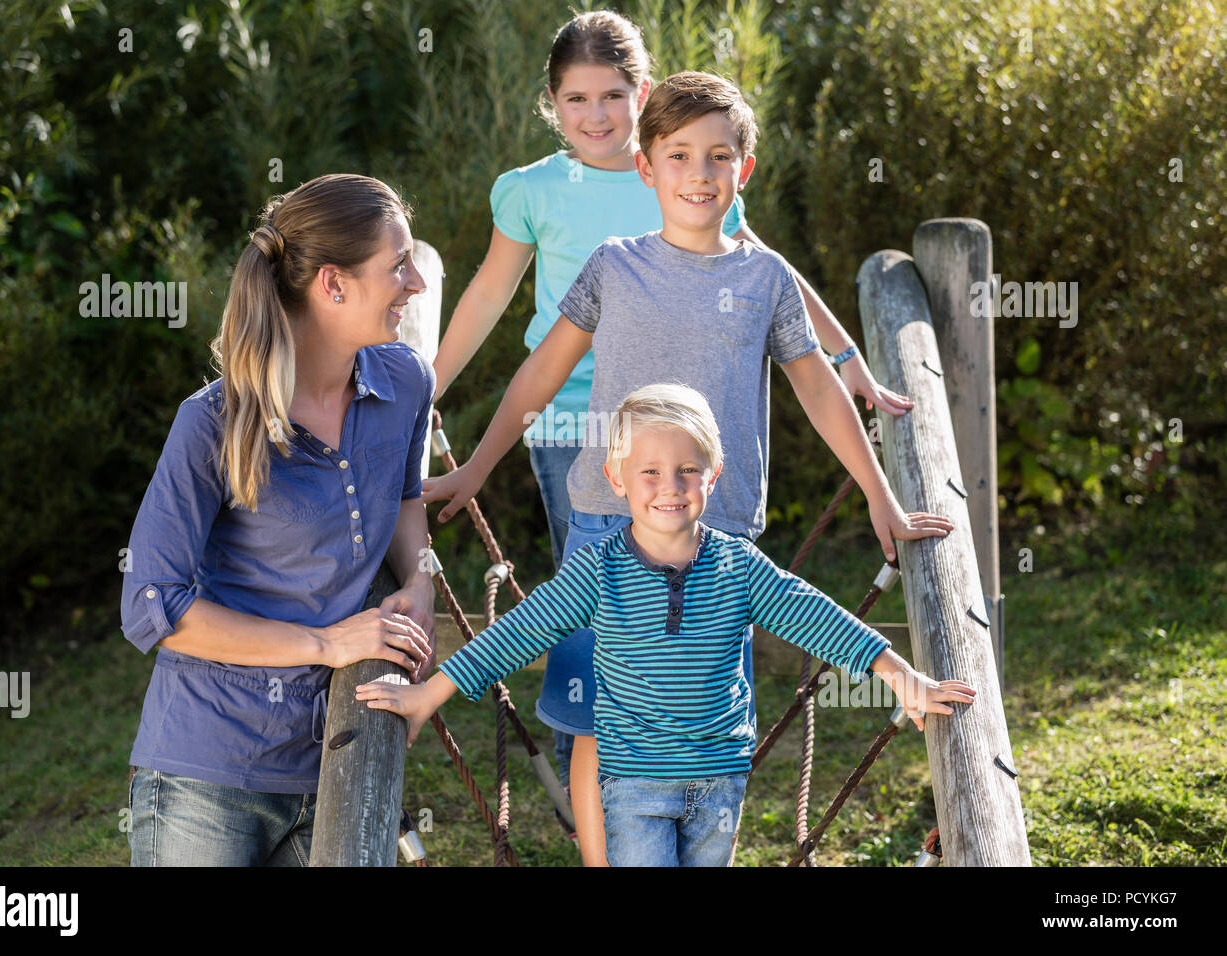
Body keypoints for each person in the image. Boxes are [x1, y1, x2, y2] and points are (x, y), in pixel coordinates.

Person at [422, 71, 956, 865]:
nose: (698, 175)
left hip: (717, 533)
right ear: (647, 168)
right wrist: (475, 470)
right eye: (678, 156)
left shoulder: (765, 279)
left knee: (700, 722)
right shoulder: (614, 266)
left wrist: (879, 492)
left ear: (743, 170)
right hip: (608, 517)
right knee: (595, 723)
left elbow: (815, 388)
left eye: (717, 157)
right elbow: (538, 375)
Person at [360, 384, 976, 866]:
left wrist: (899, 675)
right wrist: (427, 695)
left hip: (720, 778)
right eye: (649, 471)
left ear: (713, 473)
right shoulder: (599, 571)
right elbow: (518, 633)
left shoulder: (736, 565)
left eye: (687, 470)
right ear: (616, 478)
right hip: (634, 782)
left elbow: (812, 615)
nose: (669, 487)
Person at [119, 173, 437, 866]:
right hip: (207, 769)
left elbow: (406, 496)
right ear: (332, 284)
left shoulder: (407, 380)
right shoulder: (213, 422)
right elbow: (153, 607)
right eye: (399, 266)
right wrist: (327, 644)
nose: (415, 282)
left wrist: (422, 580)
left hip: (337, 756)